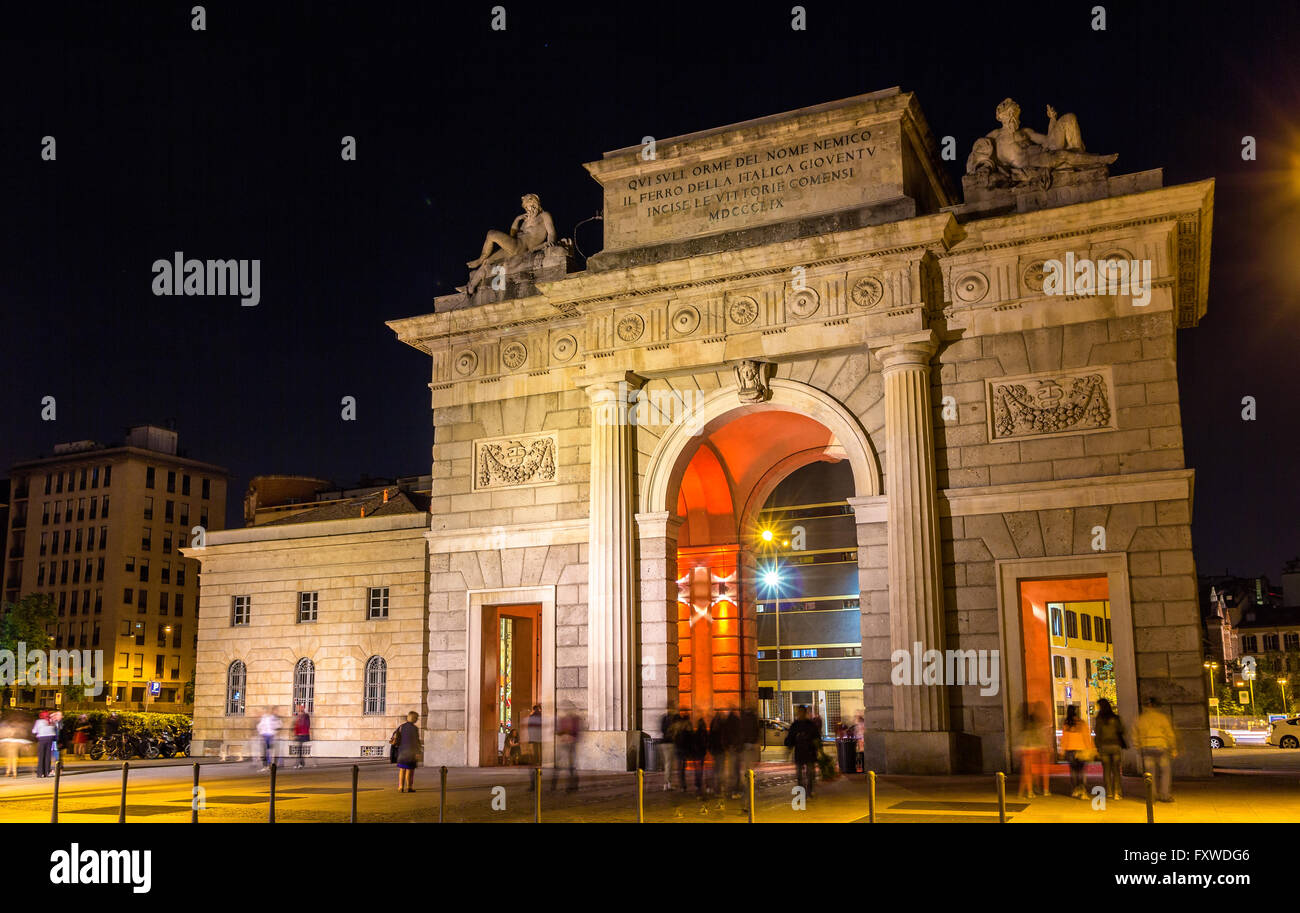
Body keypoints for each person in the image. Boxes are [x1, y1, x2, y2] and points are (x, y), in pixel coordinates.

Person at [1133, 697, 1178, 802]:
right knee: (1165, 772)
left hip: (1146, 747)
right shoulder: (1162, 718)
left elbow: (1135, 734)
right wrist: (1173, 748)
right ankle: (1165, 795)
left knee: (1150, 773)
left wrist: (1137, 747)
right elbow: (1169, 734)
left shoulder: (1140, 719)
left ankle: (1151, 796)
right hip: (1161, 746)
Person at [1093, 698, 1127, 801]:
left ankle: (1109, 792)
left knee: (1106, 771)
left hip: (1104, 747)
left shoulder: (1099, 719)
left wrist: (1097, 746)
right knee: (1116, 770)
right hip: (1115, 746)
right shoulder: (1115, 718)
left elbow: (1097, 733)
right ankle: (1118, 792)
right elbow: (1122, 730)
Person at [785, 705, 821, 799]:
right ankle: (802, 791)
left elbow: (817, 737)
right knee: (799, 775)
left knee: (810, 773)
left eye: (801, 712)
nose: (799, 714)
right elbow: (790, 738)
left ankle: (810, 790)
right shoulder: (795, 725)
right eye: (798, 712)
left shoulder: (810, 724)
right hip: (800, 753)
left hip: (809, 752)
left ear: (804, 713)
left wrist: (818, 748)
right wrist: (789, 746)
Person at [1060, 704, 1095, 799]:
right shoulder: (1081, 723)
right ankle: (1083, 791)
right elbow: (1086, 737)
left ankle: (1075, 789)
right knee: (1082, 771)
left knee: (1073, 771)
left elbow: (1064, 739)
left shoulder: (1066, 724)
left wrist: (1062, 750)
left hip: (1070, 750)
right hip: (1081, 750)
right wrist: (1090, 748)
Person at [1015, 704, 1048, 798]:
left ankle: (1025, 792)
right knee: (1031, 773)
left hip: (1026, 750)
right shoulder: (1036, 729)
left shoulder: (1024, 726)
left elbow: (1022, 739)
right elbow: (1040, 740)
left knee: (1026, 773)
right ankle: (1032, 791)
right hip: (1033, 750)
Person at [552, 704, 581, 792]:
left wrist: (569, 734)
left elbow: (576, 732)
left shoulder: (575, 720)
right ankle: (554, 785)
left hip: (571, 744)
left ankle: (573, 786)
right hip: (563, 744)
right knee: (559, 765)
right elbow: (558, 731)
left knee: (570, 766)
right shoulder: (563, 720)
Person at [395, 711, 422, 792]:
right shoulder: (414, 728)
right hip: (411, 752)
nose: (417, 719)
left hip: (402, 751)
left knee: (402, 770)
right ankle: (409, 787)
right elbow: (416, 741)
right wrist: (418, 752)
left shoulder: (401, 727)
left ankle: (400, 787)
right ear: (413, 718)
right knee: (410, 770)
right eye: (416, 718)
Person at [671, 709, 694, 792]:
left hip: (679, 749)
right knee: (682, 768)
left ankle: (682, 785)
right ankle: (683, 785)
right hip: (684, 749)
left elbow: (674, 736)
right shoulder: (688, 726)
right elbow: (691, 738)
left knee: (680, 768)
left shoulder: (678, 726)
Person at [723, 710, 743, 799]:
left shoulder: (727, 722)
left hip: (731, 748)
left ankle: (730, 790)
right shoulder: (737, 722)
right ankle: (735, 790)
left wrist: (727, 746)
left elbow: (725, 736)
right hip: (735, 748)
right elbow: (740, 735)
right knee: (735, 770)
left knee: (731, 771)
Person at [32, 712, 56, 778]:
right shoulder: (51, 721)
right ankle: (47, 772)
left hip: (42, 739)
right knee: (48, 756)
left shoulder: (38, 721)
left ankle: (41, 773)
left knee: (41, 756)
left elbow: (34, 731)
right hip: (50, 738)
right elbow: (54, 729)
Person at [659, 709, 678, 792]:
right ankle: (667, 784)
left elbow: (662, 729)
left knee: (667, 765)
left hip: (663, 743)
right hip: (669, 743)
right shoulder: (672, 719)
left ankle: (667, 783)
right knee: (668, 765)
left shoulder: (664, 718)